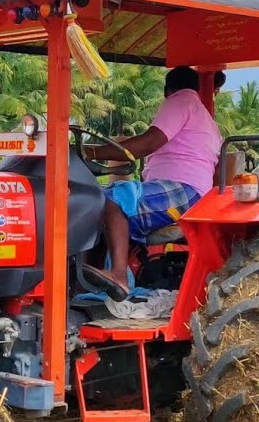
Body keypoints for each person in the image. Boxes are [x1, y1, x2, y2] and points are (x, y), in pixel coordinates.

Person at [84, 66, 224, 293]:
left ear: (167, 91)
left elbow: (146, 144)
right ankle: (96, 279)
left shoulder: (181, 102)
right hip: (186, 190)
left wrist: (91, 152)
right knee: (102, 205)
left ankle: (119, 277)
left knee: (115, 199)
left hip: (182, 190)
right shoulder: (203, 117)